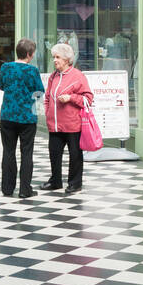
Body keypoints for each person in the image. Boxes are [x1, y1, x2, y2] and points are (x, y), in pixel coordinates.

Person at [42, 42, 93, 195]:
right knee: (54, 153)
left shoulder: (78, 76)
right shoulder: (53, 76)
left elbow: (88, 99)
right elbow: (47, 97)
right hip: (55, 124)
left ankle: (75, 183)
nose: (54, 60)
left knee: (75, 155)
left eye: (57, 57)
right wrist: (48, 112)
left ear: (67, 59)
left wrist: (71, 98)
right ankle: (55, 181)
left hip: (73, 124)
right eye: (53, 57)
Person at [0, 38, 44, 199]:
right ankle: (25, 189)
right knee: (26, 153)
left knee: (8, 151)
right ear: (29, 54)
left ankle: (7, 188)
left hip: (7, 115)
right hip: (26, 116)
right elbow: (39, 91)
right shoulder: (32, 71)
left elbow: (1, 86)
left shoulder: (5, 67)